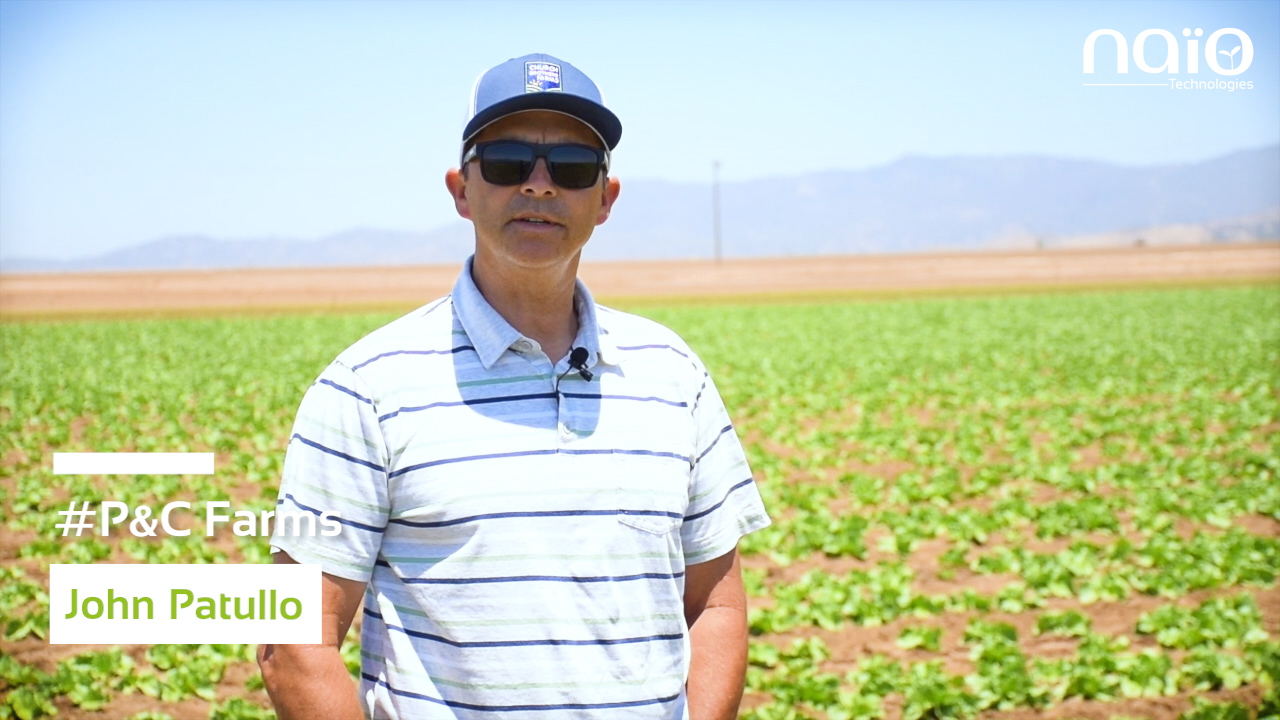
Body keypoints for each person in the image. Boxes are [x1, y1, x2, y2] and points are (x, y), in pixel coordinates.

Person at [258, 53, 770, 720]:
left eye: (572, 168)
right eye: (505, 163)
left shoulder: (674, 376)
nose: (538, 185)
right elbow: (293, 644)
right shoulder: (365, 388)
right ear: (461, 190)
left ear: (605, 200)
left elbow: (716, 605)